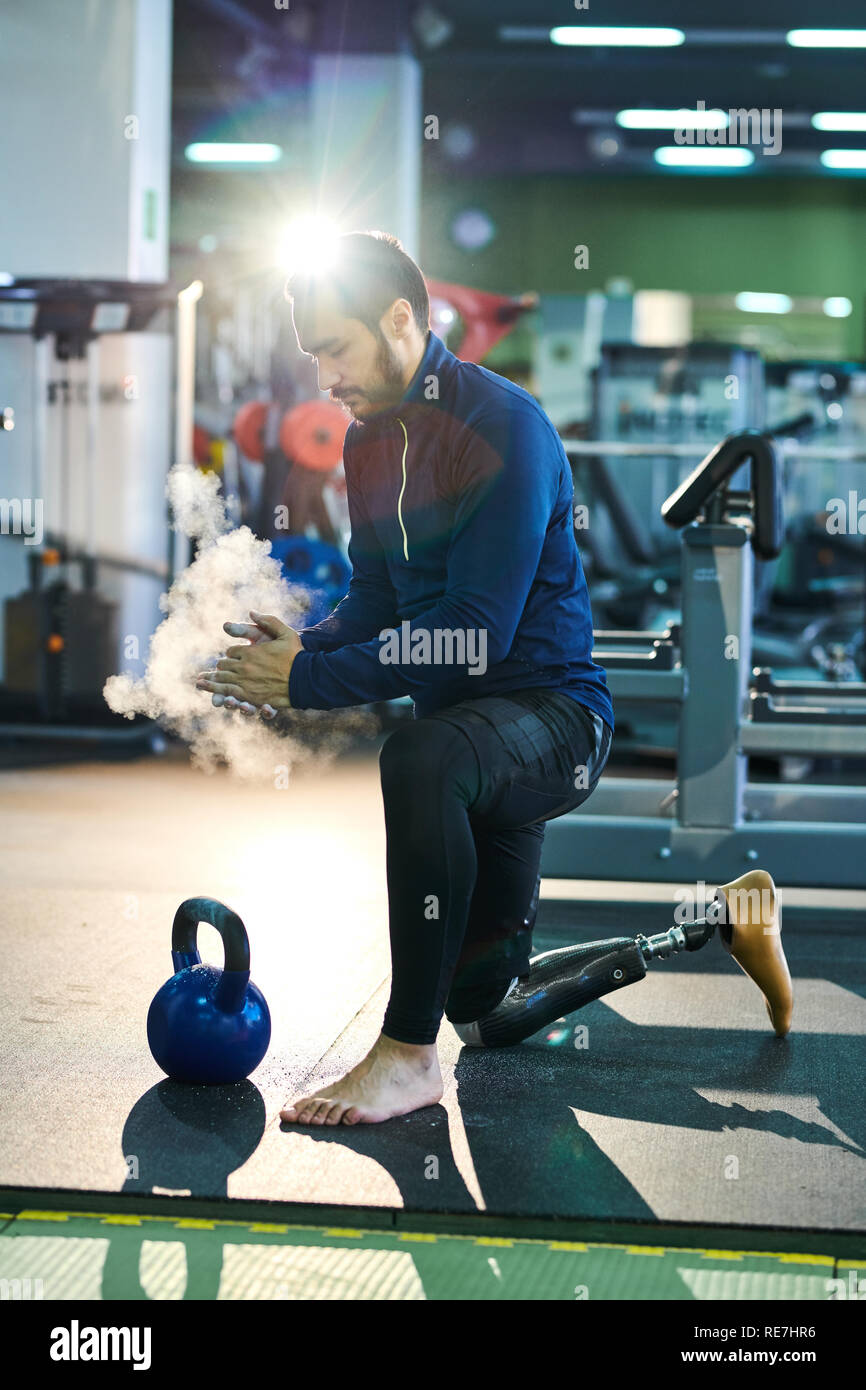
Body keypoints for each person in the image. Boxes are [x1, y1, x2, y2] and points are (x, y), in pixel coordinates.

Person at [196, 230, 615, 1125]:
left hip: (553, 723)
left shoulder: (502, 427)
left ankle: (405, 1056)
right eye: (313, 355)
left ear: (400, 321)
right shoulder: (368, 444)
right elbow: (376, 600)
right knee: (487, 1008)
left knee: (416, 757)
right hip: (470, 746)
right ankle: (699, 928)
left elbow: (472, 636)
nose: (324, 379)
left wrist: (307, 687)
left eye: (336, 350)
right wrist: (303, 645)